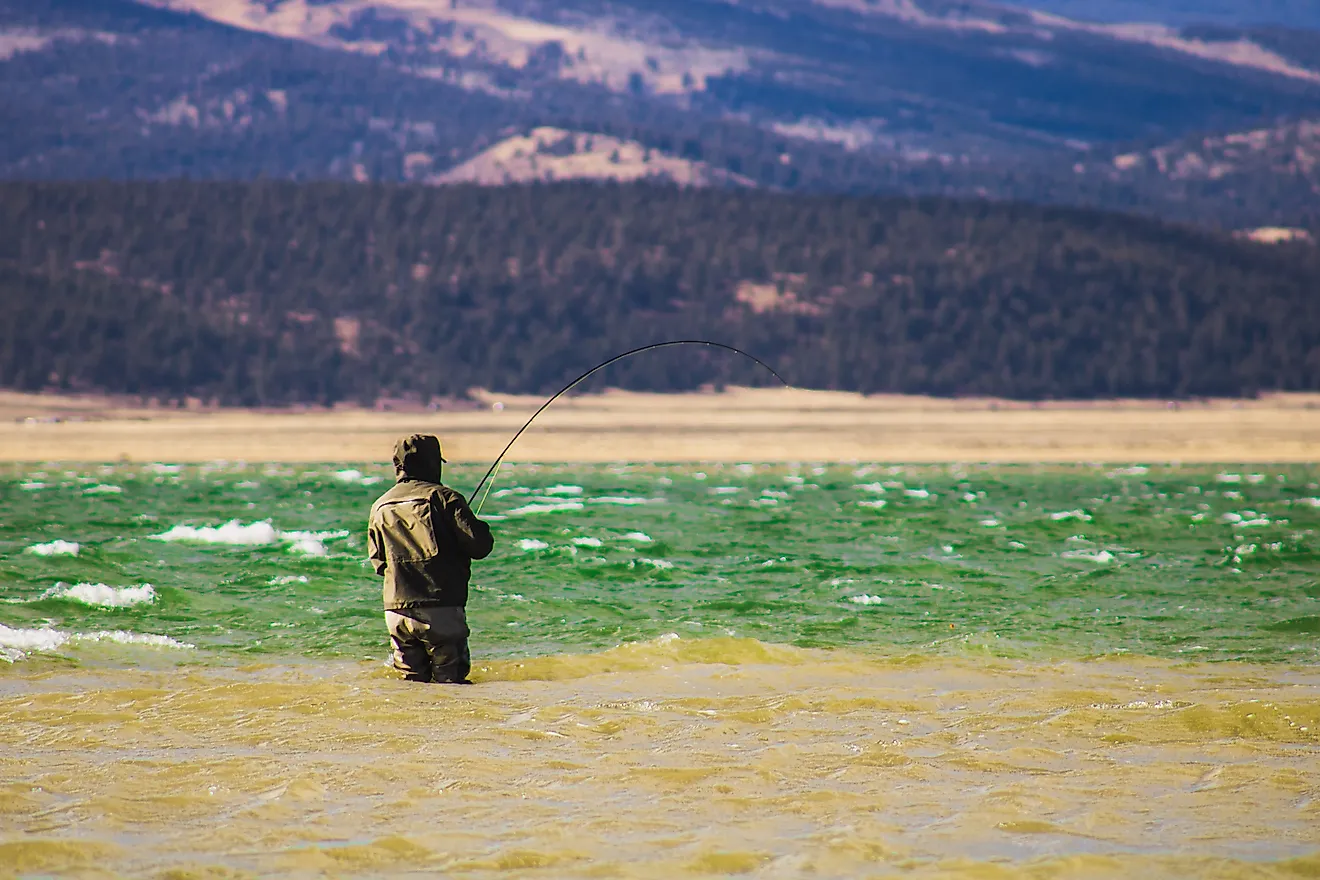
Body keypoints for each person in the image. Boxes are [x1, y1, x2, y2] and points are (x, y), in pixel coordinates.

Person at [368, 433, 494, 683]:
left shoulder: (380, 505)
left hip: (395, 612)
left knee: (412, 685)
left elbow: (379, 563)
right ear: (432, 462)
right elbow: (480, 546)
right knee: (452, 684)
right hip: (441, 608)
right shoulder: (445, 498)